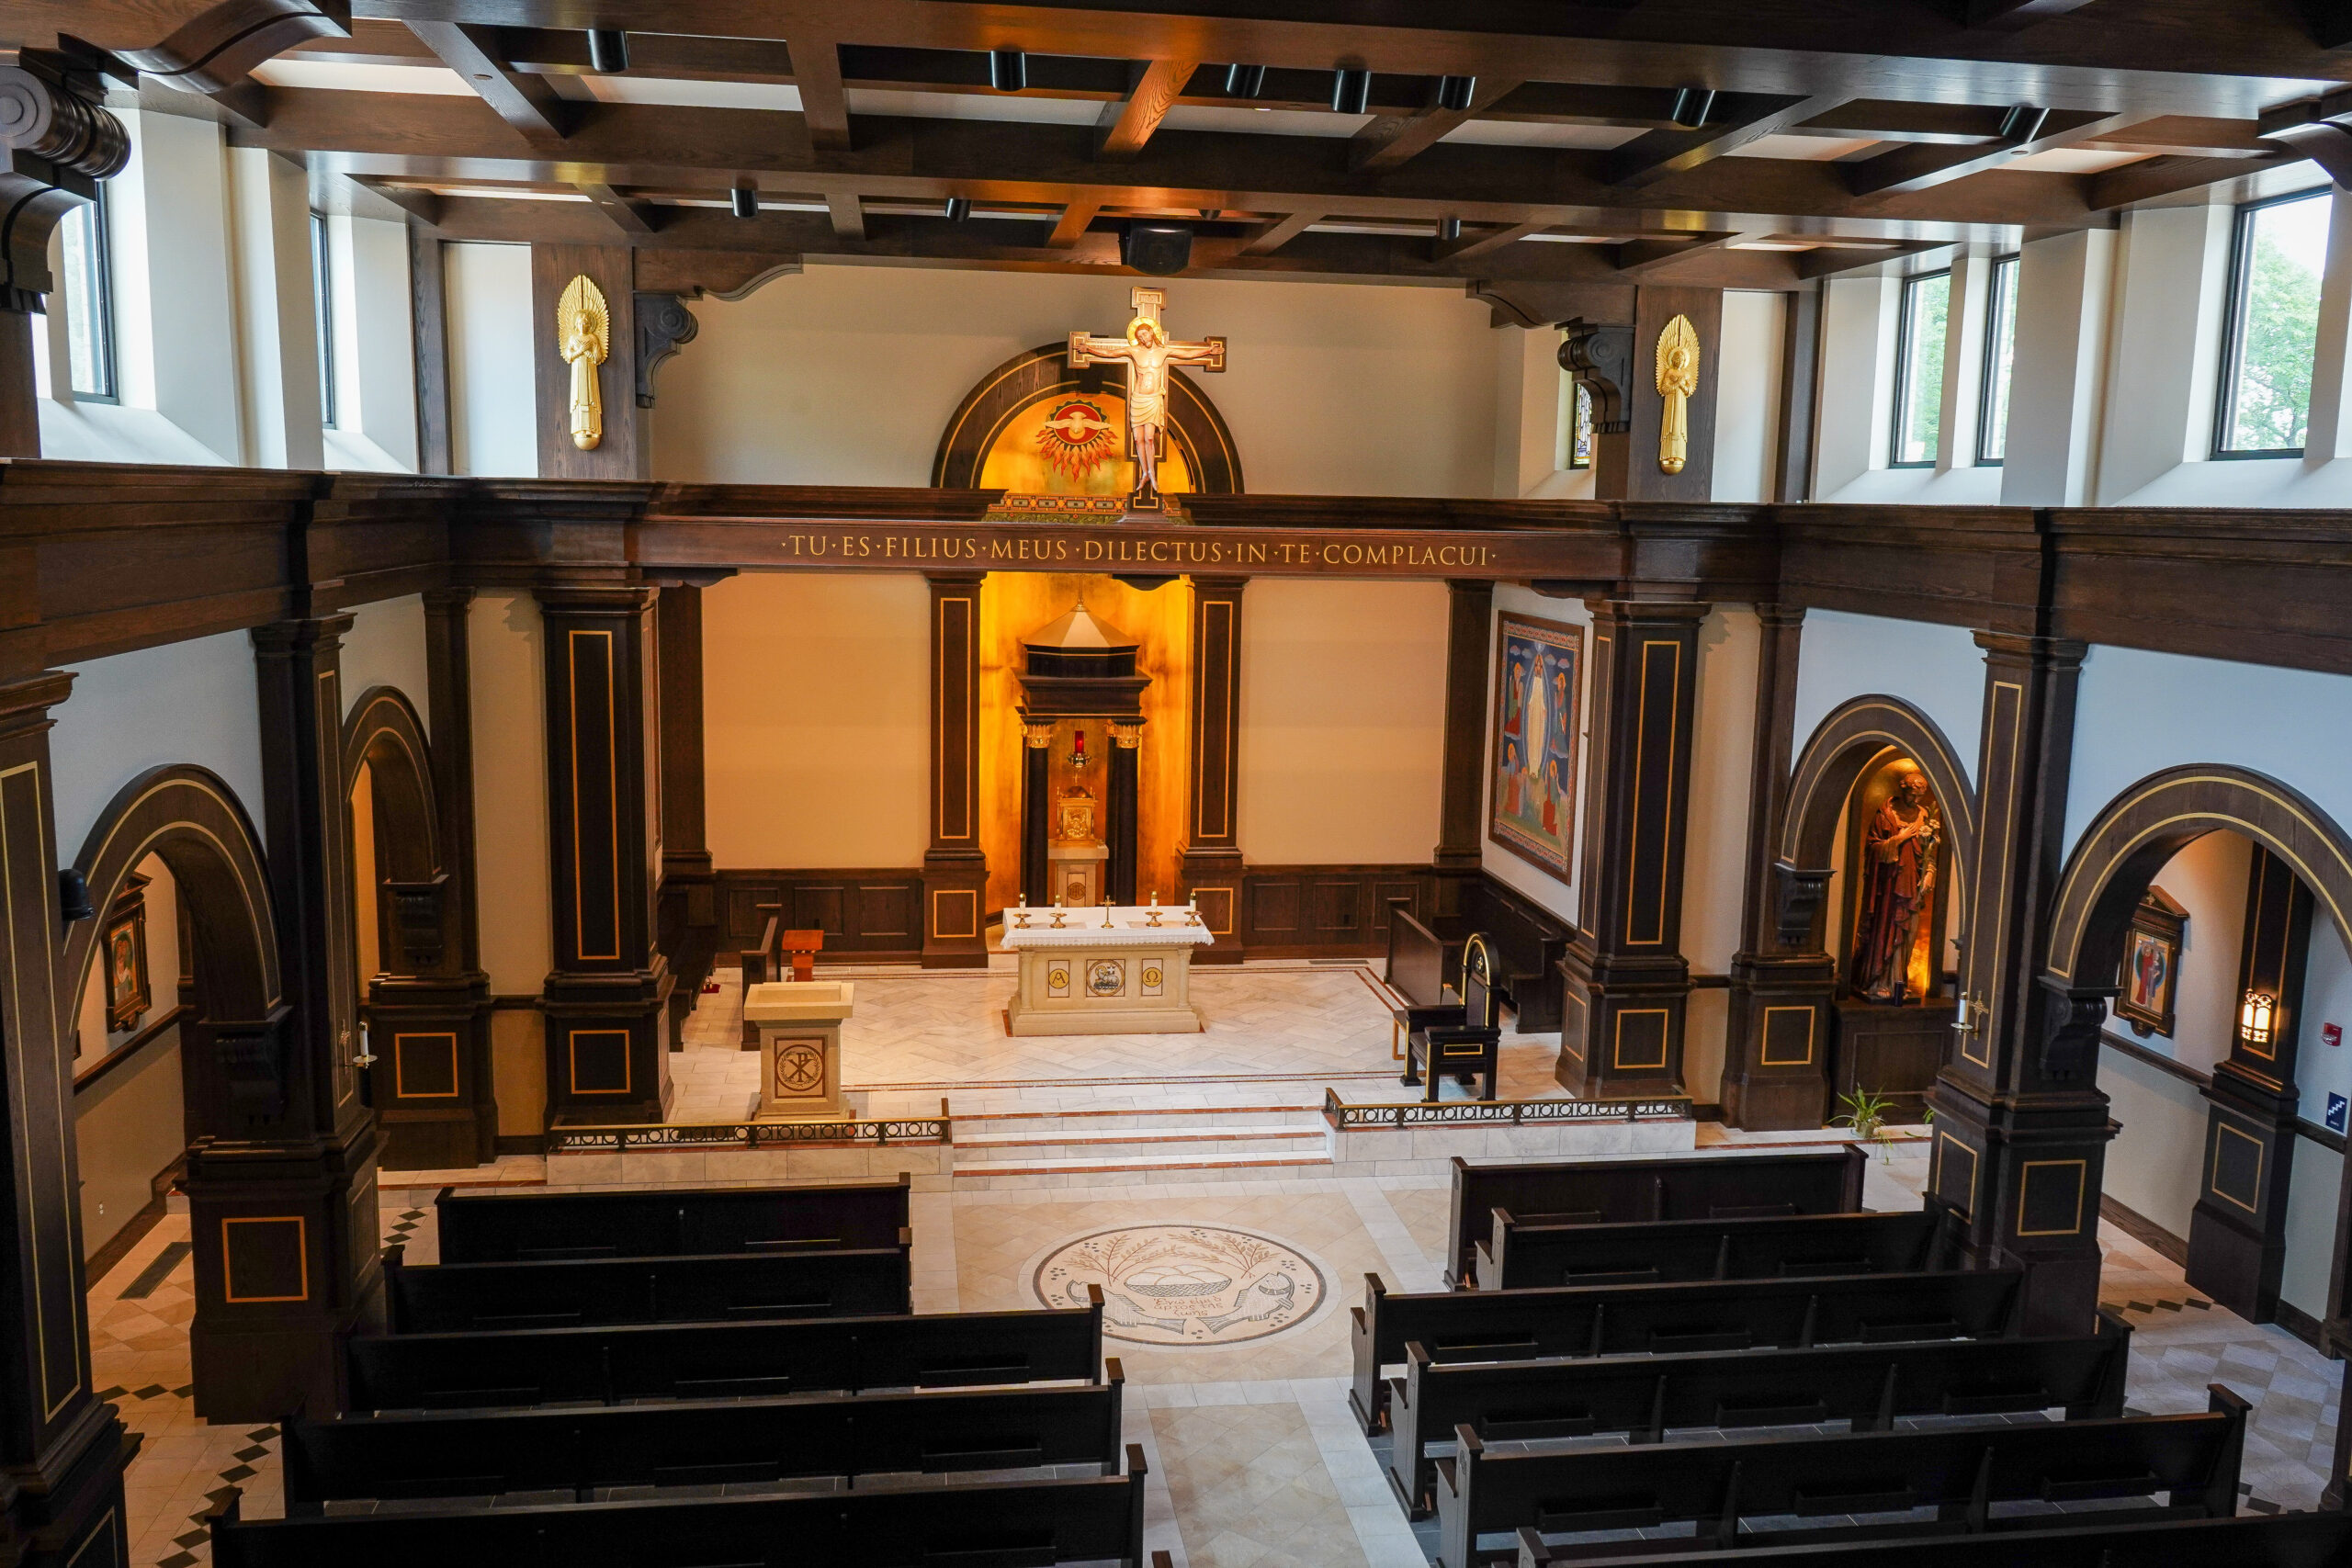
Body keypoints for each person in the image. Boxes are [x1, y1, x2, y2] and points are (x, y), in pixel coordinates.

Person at [1853, 771, 1940, 1004]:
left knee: (1908, 934)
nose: (1915, 800)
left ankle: (1899, 981)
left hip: (1912, 888)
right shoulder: (1886, 814)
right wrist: (1899, 839)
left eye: (1919, 796)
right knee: (1885, 929)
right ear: (1903, 790)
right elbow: (1872, 848)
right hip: (1888, 888)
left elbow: (1930, 855)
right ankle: (1880, 980)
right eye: (1912, 794)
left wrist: (1930, 873)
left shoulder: (1925, 817)